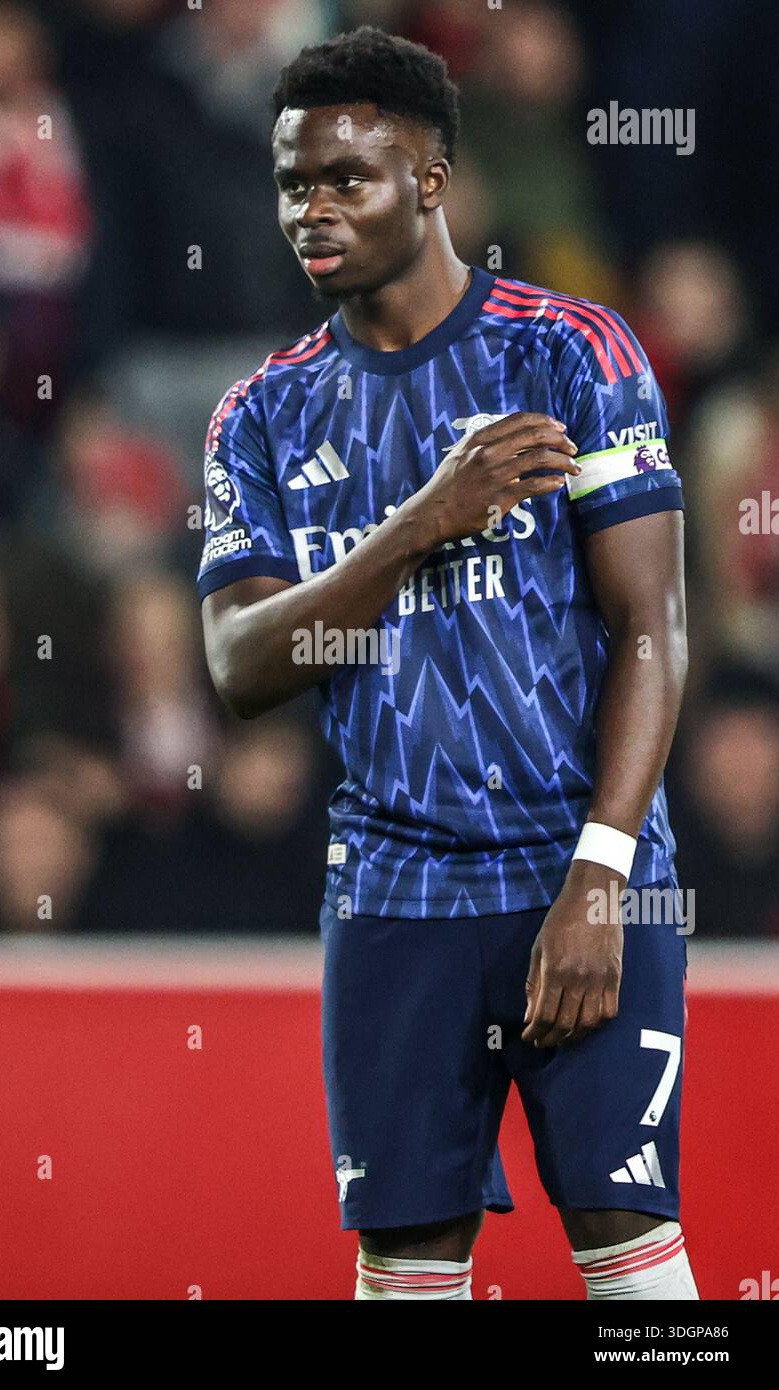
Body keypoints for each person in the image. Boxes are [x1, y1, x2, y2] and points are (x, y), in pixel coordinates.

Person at [197, 27, 695, 1301]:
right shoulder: (262, 413)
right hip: (391, 886)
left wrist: (599, 877)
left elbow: (651, 628)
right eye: (291, 184)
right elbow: (246, 661)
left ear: (429, 180)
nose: (311, 211)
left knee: (627, 1254)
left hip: (575, 871)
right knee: (406, 1267)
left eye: (346, 180)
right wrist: (421, 520)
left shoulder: (571, 351)